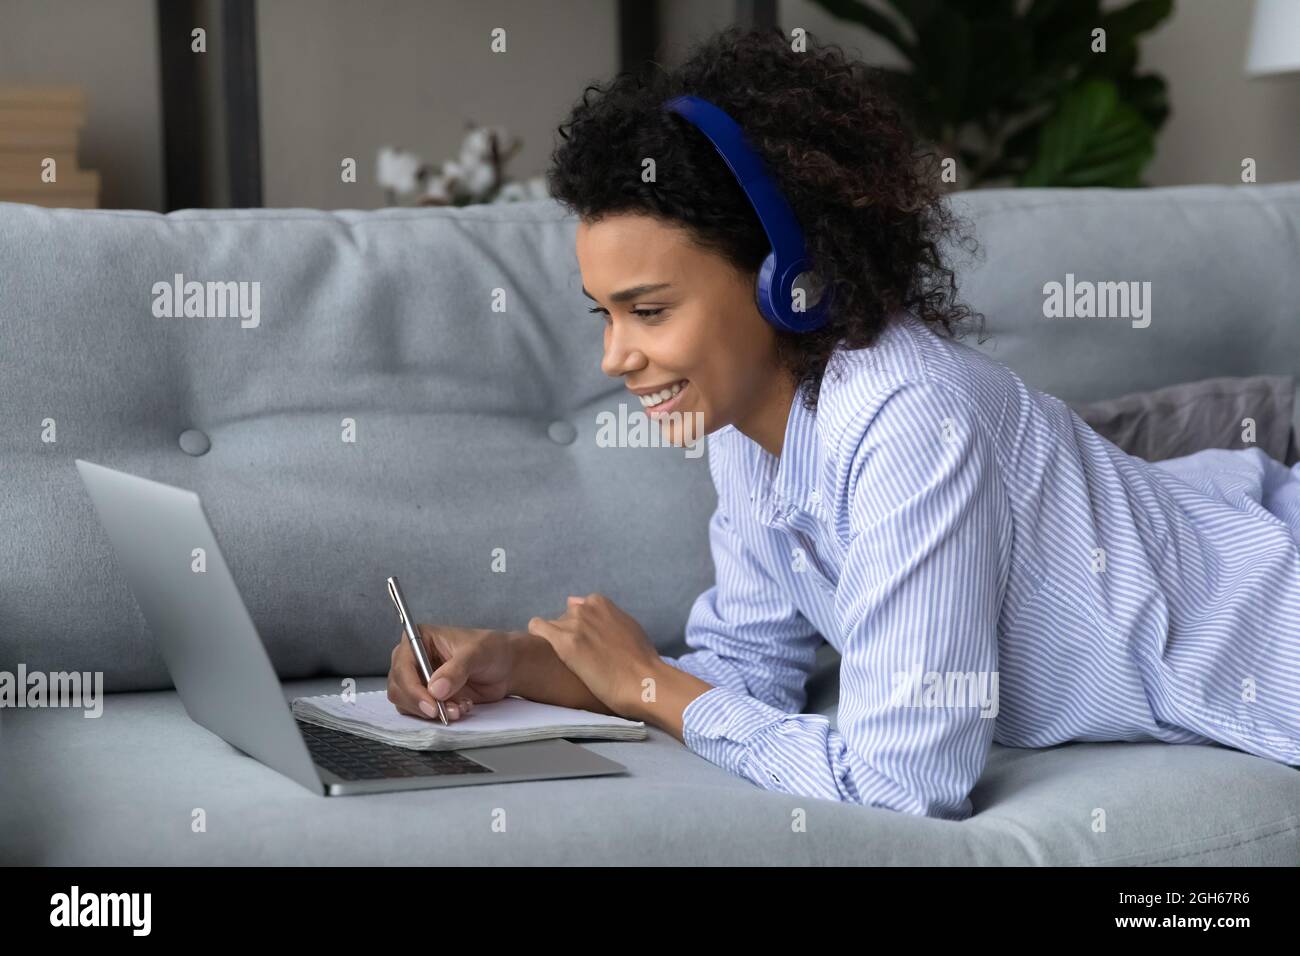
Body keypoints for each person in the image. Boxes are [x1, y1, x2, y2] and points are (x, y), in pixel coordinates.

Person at [387, 27, 1300, 820]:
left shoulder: (909, 419)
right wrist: (517, 662)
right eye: (605, 314)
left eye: (650, 311)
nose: (614, 358)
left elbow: (903, 787)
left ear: (786, 279)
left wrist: (650, 686)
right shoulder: (752, 427)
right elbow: (745, 666)